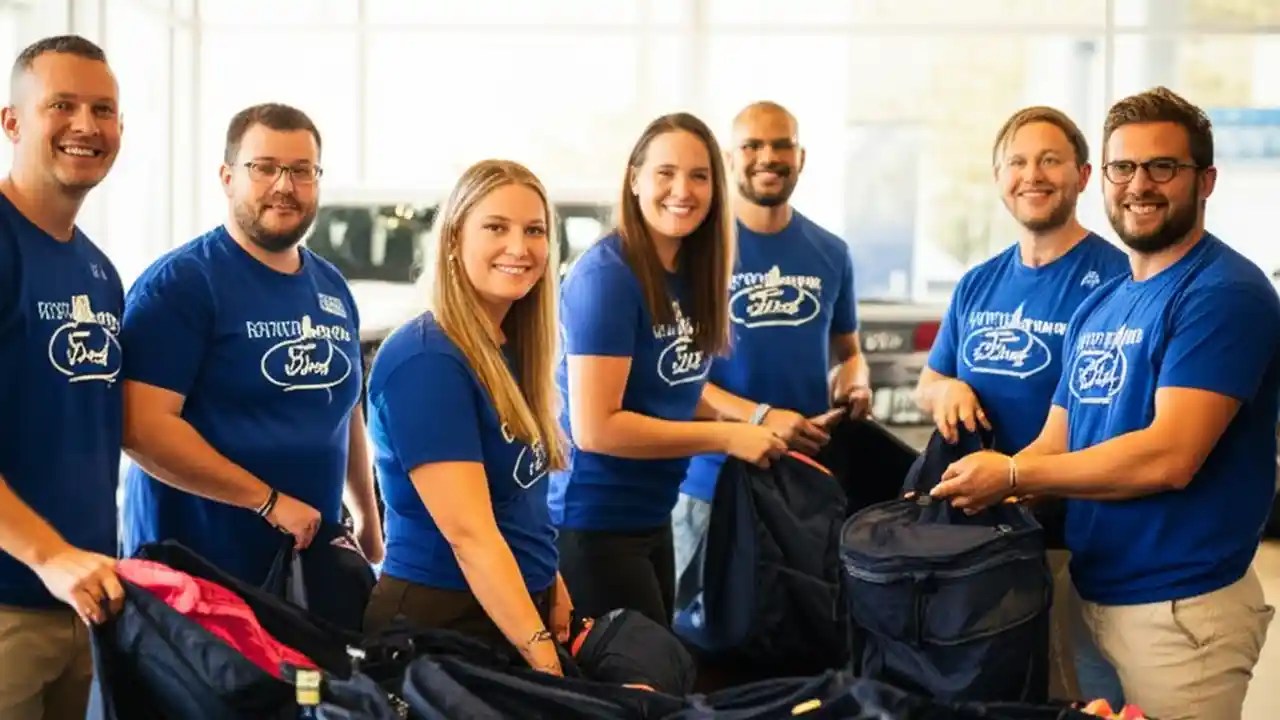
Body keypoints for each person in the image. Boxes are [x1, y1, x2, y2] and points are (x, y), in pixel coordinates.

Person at [932, 86, 1279, 720]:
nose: (1139, 184)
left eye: (1162, 167)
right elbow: (1056, 441)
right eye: (1125, 167)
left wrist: (1010, 474)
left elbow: (1168, 457)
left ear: (1206, 181)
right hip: (1090, 593)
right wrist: (959, 494)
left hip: (1179, 612)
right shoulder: (1105, 302)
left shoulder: (1225, 293)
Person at [914, 105, 1129, 704]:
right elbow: (927, 384)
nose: (1032, 174)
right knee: (999, 690)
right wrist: (948, 388)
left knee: (1081, 691)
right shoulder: (977, 282)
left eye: (1050, 160)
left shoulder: (1119, 279)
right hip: (983, 541)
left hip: (1076, 537)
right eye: (1018, 162)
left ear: (1084, 175)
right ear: (999, 178)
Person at [120, 103, 383, 590]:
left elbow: (343, 407)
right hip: (195, 581)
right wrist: (266, 501)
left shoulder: (331, 286)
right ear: (227, 177)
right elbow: (141, 428)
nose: (284, 185)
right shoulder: (183, 284)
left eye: (302, 171)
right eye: (264, 168)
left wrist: (367, 514)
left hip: (303, 574)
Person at [549, 112, 787, 628]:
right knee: (634, 693)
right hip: (593, 525)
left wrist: (751, 421)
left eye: (699, 176)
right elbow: (596, 428)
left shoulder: (688, 271)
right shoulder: (607, 278)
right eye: (665, 173)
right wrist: (723, 438)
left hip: (652, 516)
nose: (683, 190)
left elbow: (673, 383)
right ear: (634, 178)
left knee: (662, 680)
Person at [361, 159, 569, 676]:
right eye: (496, 227)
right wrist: (542, 653)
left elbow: (520, 500)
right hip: (441, 621)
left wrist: (552, 583)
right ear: (454, 238)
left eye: (534, 230)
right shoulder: (426, 360)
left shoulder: (513, 345)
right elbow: (470, 537)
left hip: (511, 606)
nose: (519, 248)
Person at [674, 101, 867, 587]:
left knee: (796, 633)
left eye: (782, 145)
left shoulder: (831, 252)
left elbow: (849, 350)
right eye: (753, 145)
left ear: (801, 157)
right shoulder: (696, 251)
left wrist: (855, 381)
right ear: (729, 157)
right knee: (697, 643)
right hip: (709, 483)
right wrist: (759, 416)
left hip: (802, 486)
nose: (768, 156)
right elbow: (678, 383)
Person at [0, 35, 126, 720]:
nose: (86, 125)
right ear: (12, 122)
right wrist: (47, 555)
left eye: (103, 109)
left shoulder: (101, 272)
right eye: (63, 105)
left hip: (81, 603)